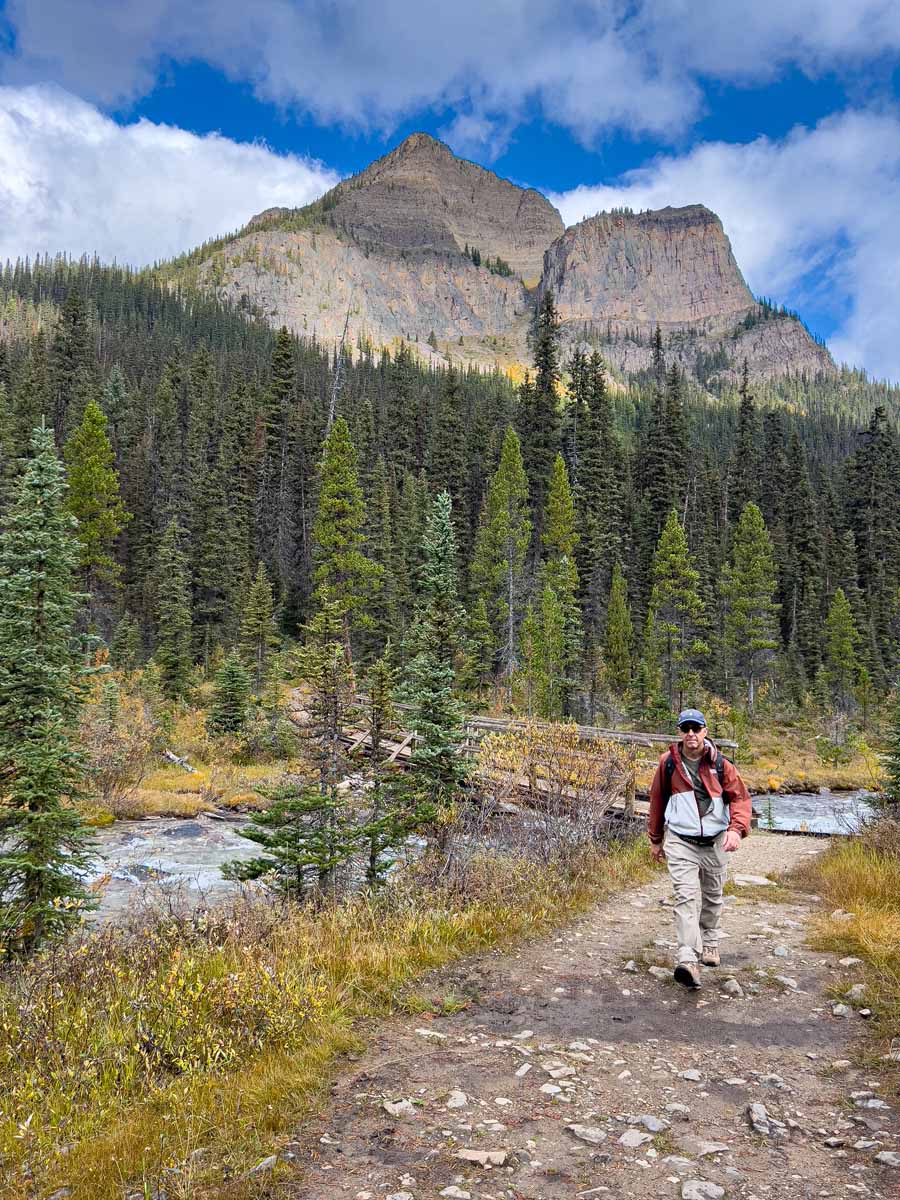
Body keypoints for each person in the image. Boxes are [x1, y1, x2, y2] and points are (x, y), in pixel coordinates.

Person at [647, 708, 751, 989]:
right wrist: (655, 839)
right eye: (685, 728)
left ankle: (711, 941)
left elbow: (740, 799)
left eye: (696, 728)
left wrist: (736, 830)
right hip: (681, 841)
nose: (690, 734)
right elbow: (657, 801)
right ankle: (687, 959)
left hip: (716, 841)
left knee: (713, 896)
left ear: (705, 731)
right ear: (679, 732)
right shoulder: (668, 763)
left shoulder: (722, 765)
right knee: (685, 897)